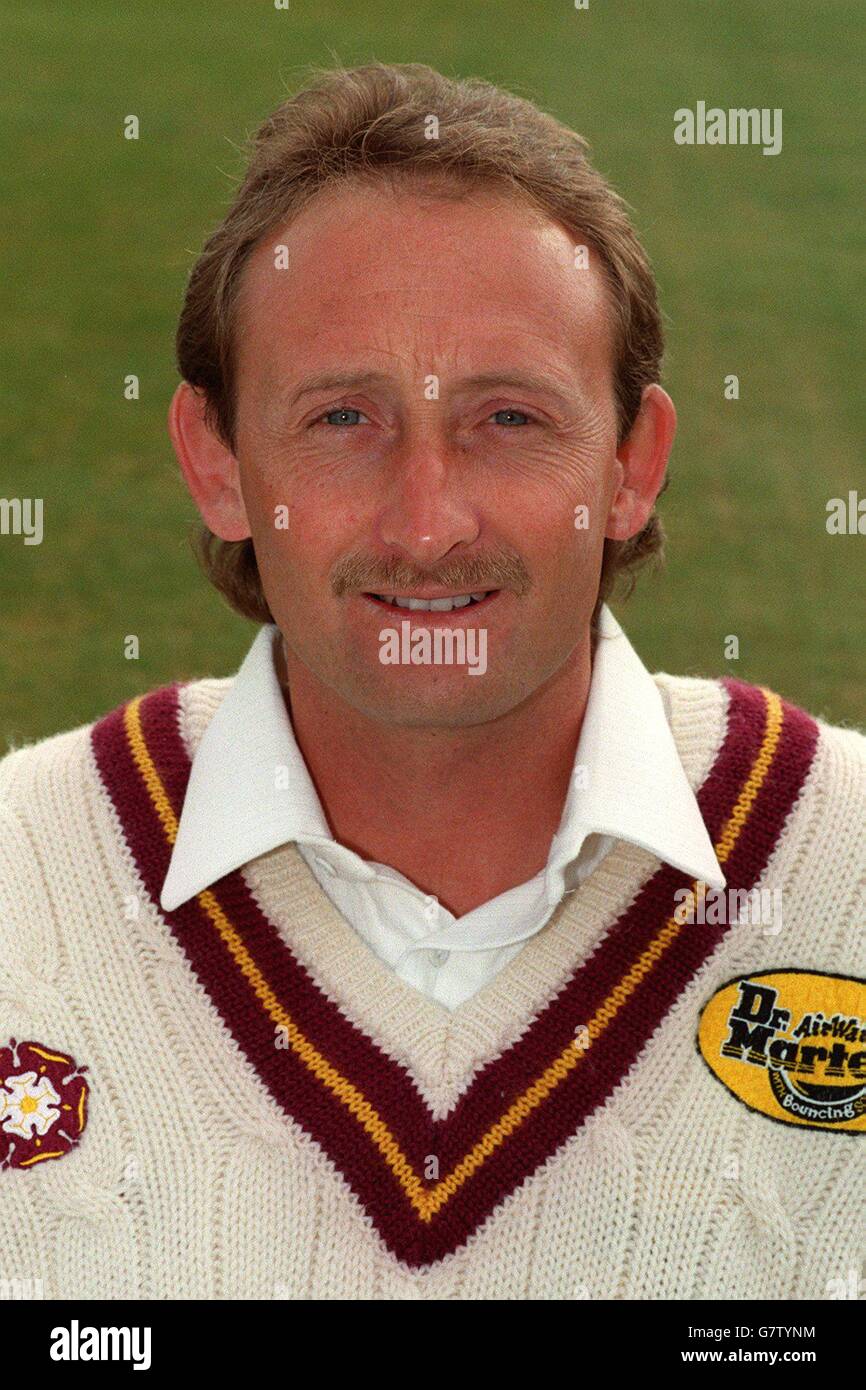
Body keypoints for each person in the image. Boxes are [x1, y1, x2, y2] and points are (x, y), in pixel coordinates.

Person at [1, 62, 862, 1300]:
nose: (427, 522)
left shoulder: (842, 868)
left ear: (629, 462)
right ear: (217, 461)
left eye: (506, 418)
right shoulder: (22, 882)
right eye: (343, 419)